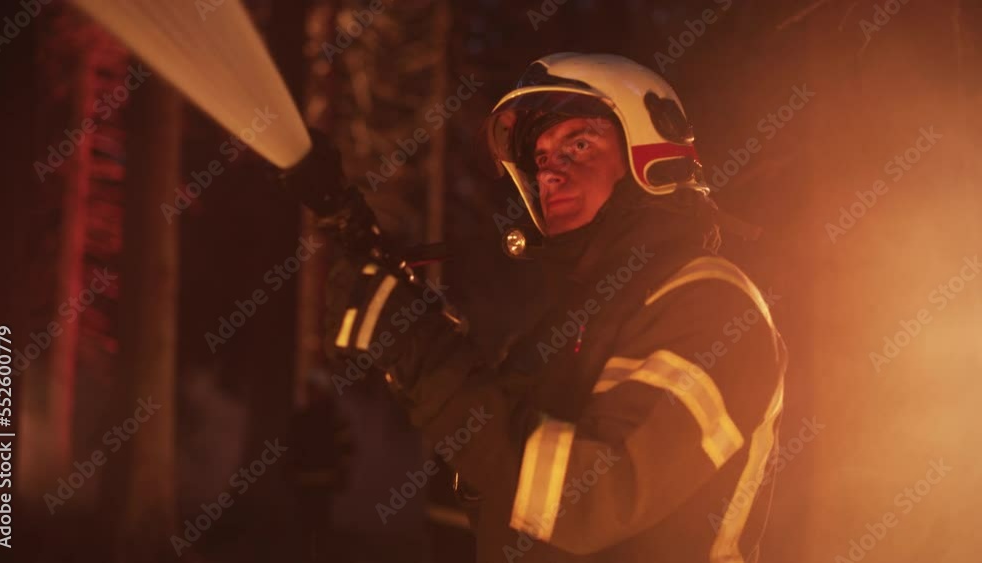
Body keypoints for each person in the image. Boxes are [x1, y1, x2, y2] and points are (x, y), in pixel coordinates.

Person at [321, 53, 787, 563]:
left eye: (578, 145)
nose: (550, 174)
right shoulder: (575, 327)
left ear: (651, 157)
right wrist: (416, 346)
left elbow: (591, 499)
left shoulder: (714, 306)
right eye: (540, 159)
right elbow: (510, 500)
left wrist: (426, 357)